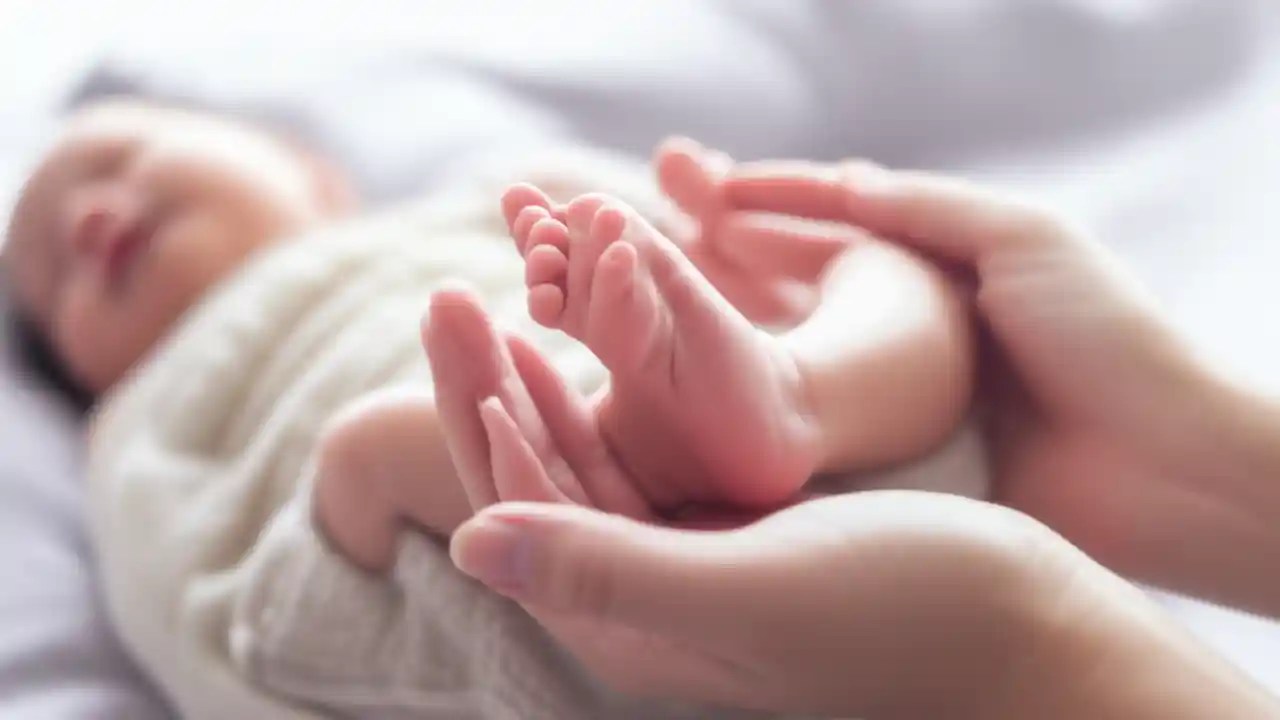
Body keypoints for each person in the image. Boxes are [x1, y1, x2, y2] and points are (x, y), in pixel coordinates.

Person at [0, 99, 979, 719]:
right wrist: (341, 518)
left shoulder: (473, 200)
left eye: (123, 156)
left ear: (311, 170)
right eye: (51, 279)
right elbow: (194, 610)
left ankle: (782, 403)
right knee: (379, 442)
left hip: (837, 441)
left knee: (883, 274)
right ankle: (643, 450)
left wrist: (687, 234)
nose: (89, 218)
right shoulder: (131, 429)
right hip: (469, 552)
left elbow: (711, 243)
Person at [443, 157, 1280, 717]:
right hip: (884, 486)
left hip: (867, 490)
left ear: (332, 180)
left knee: (910, 278)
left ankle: (785, 396)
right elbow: (331, 485)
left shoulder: (474, 189)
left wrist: (1035, 652)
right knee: (916, 283)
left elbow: (627, 213)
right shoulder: (312, 289)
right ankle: (775, 400)